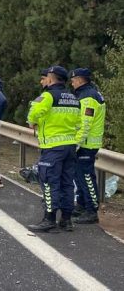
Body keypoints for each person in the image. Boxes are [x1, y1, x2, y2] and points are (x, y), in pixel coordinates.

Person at [27, 66, 81, 232]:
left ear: (51, 79)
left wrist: (32, 121)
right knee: (67, 184)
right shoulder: (73, 98)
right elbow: (79, 122)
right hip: (70, 146)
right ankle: (66, 220)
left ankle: (49, 219)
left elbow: (34, 113)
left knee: (50, 182)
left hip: (52, 147)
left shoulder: (48, 95)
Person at [70, 68, 106, 225]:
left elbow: (85, 123)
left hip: (86, 143)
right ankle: (82, 206)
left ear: (79, 80)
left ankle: (92, 211)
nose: (71, 83)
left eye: (73, 80)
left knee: (86, 177)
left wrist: (75, 144)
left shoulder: (88, 96)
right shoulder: (89, 93)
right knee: (79, 177)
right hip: (85, 143)